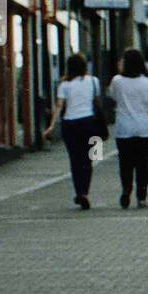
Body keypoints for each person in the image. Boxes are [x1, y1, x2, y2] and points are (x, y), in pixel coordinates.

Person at [43, 53, 101, 210]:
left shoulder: (64, 85)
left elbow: (59, 106)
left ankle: (79, 192)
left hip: (70, 124)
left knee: (75, 160)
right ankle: (85, 192)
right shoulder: (94, 82)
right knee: (88, 159)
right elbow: (96, 101)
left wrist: (52, 125)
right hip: (89, 123)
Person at [109, 49, 148, 209]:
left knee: (125, 164)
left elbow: (113, 97)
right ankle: (142, 196)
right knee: (142, 164)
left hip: (124, 129)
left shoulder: (117, 81)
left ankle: (126, 190)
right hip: (143, 128)